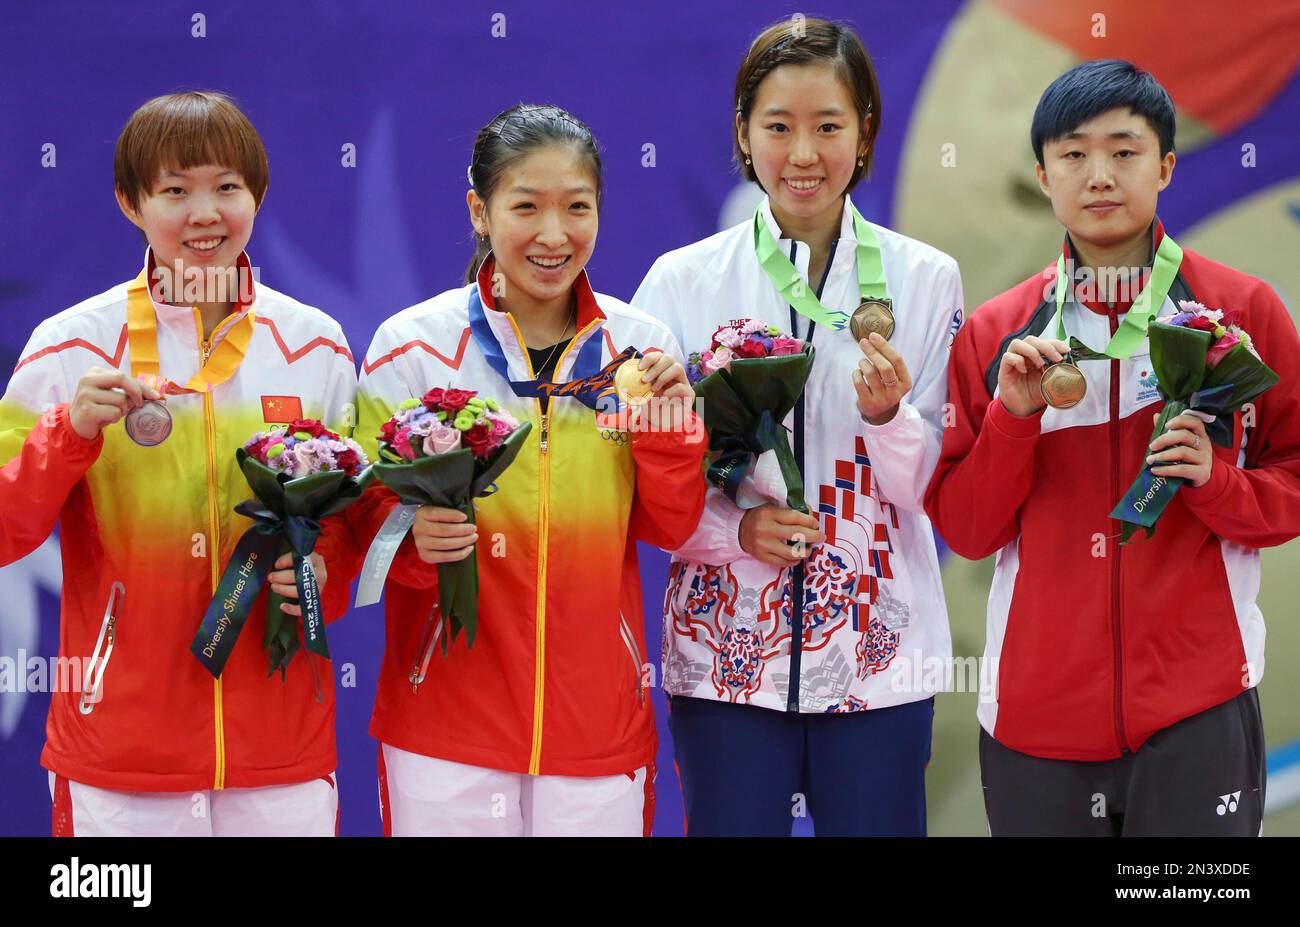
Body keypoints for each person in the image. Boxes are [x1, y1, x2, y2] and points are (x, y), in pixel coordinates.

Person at [924, 59, 1300, 836]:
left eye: (1124, 152)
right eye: (1073, 154)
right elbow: (964, 530)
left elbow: (1289, 490)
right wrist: (1012, 422)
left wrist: (1216, 482)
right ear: (1043, 174)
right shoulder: (998, 334)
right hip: (1036, 720)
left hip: (1200, 710)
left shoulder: (1242, 313)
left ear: (1165, 166)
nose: (1099, 175)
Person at [632, 17, 962, 836]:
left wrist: (888, 420)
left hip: (879, 659)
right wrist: (730, 530)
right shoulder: (681, 282)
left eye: (828, 126)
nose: (804, 153)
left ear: (867, 131)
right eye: (778, 126)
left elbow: (939, 493)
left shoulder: (925, 278)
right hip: (724, 662)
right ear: (744, 134)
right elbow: (635, 474)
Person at [340, 104, 707, 837]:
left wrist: (670, 431)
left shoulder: (642, 349)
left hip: (596, 728)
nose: (552, 233)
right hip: (444, 723)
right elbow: (362, 517)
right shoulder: (409, 346)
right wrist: (414, 541)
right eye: (525, 206)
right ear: (479, 211)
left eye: (577, 206)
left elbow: (671, 525)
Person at [0, 91, 359, 836]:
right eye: (175, 190)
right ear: (131, 204)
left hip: (281, 752)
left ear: (256, 194)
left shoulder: (315, 344)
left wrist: (325, 570)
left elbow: (352, 519)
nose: (205, 213)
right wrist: (69, 434)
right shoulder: (71, 348)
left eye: (227, 187)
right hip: (123, 752)